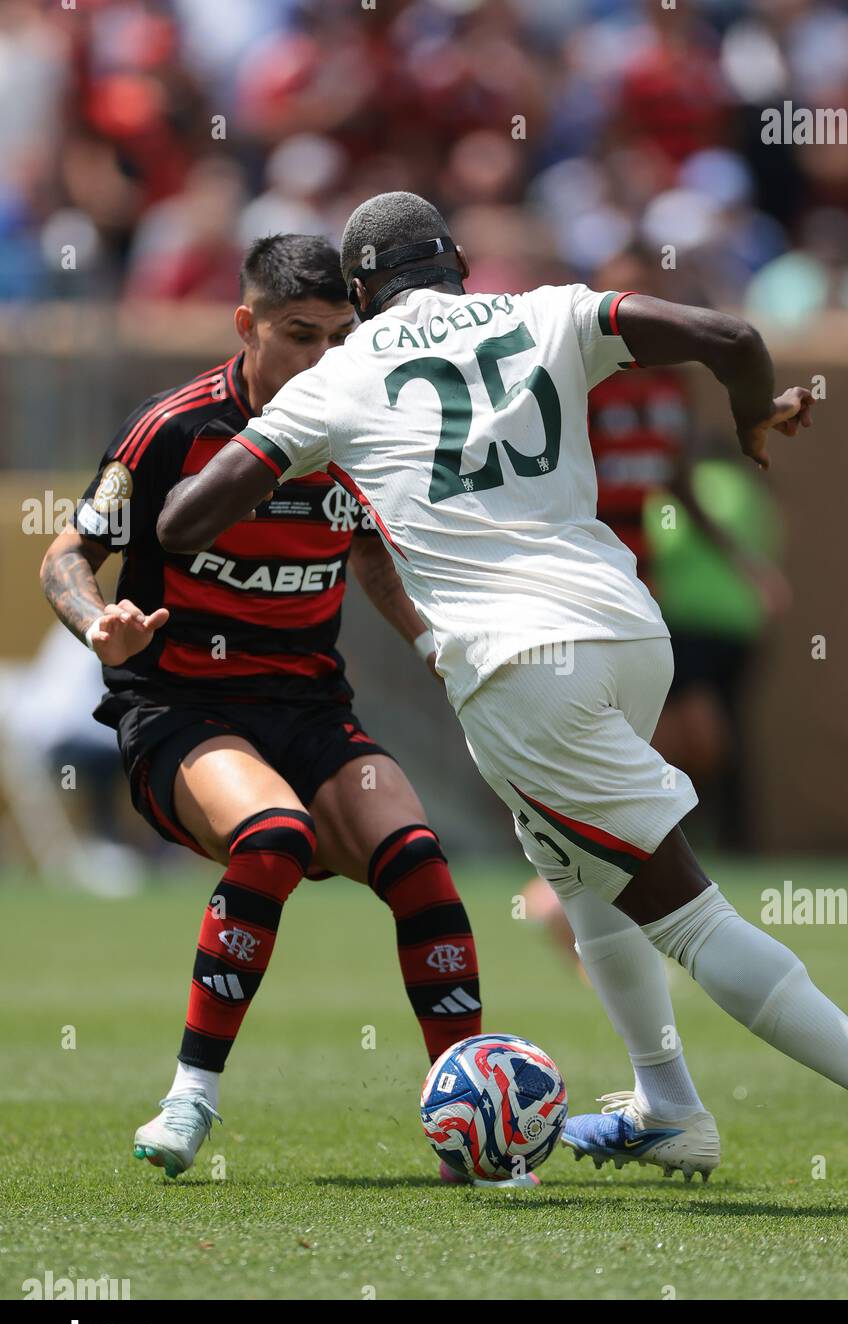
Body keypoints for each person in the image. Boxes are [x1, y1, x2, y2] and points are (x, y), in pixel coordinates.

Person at [155, 193, 848, 1214]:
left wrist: (285, 471)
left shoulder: (339, 374)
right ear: (460, 262)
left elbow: (183, 520)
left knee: (685, 916)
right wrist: (750, 416)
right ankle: (668, 1107)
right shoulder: (540, 310)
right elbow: (728, 335)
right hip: (625, 628)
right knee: (572, 866)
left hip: (519, 668)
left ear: (358, 294)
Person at [38, 235, 493, 1185]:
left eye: (340, 336)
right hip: (182, 709)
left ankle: (473, 1124)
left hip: (309, 706)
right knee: (275, 837)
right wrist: (96, 623)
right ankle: (190, 1097)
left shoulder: (360, 420)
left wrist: (431, 642)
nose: (322, 359)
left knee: (418, 864)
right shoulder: (172, 429)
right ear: (246, 326)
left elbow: (368, 547)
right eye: (298, 335)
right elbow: (66, 556)